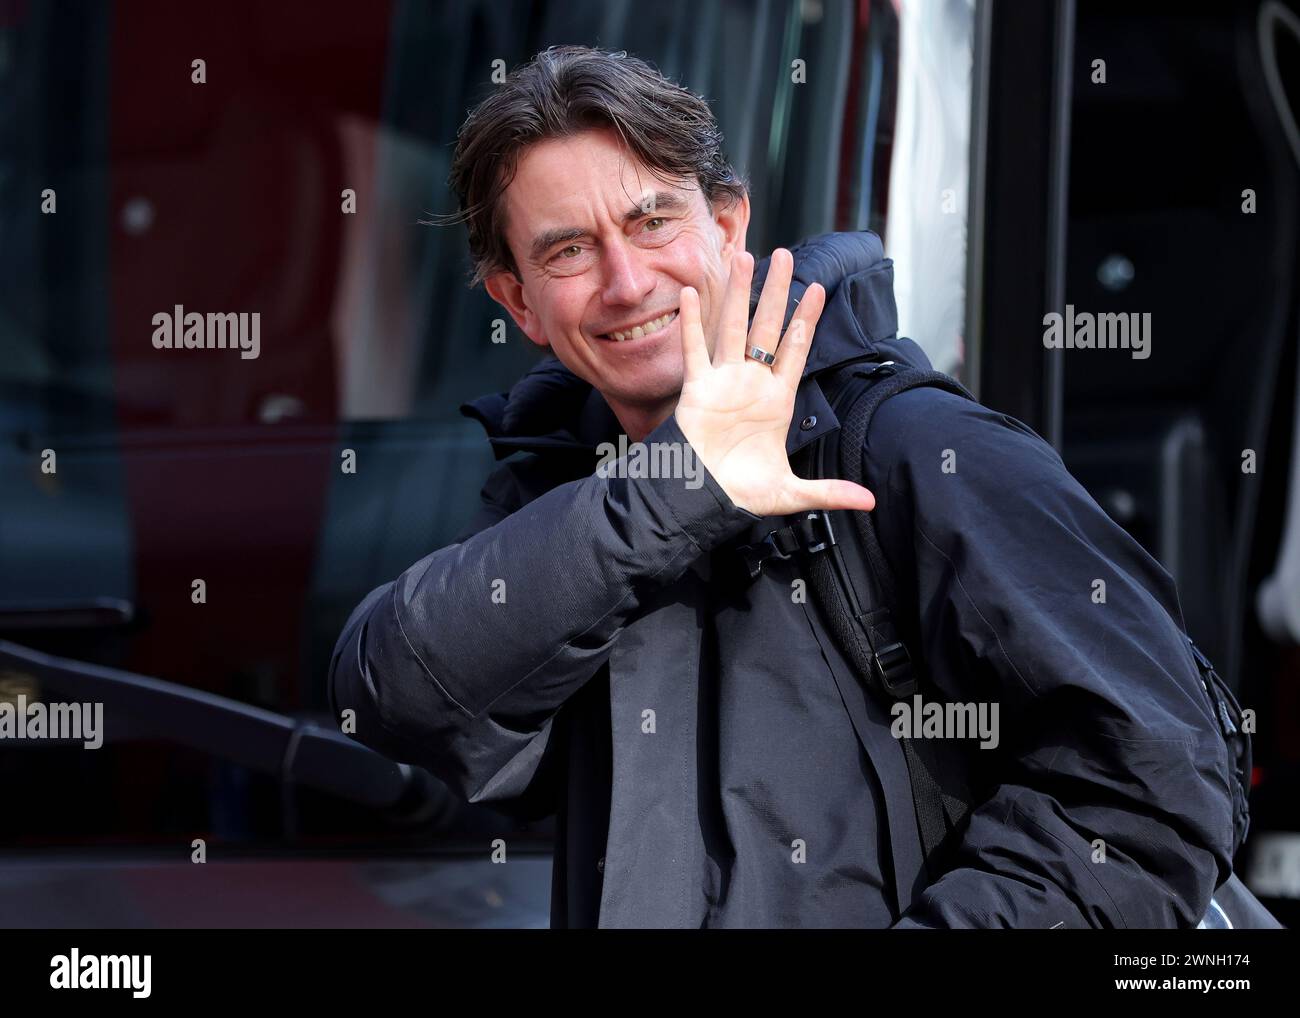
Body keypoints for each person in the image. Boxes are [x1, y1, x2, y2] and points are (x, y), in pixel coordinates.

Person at [328, 45, 1234, 928]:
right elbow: (389, 699)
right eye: (568, 250)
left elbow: (1156, 787)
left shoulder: (919, 447)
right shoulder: (561, 482)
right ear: (518, 303)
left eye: (652, 221)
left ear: (728, 228)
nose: (627, 280)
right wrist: (675, 489)